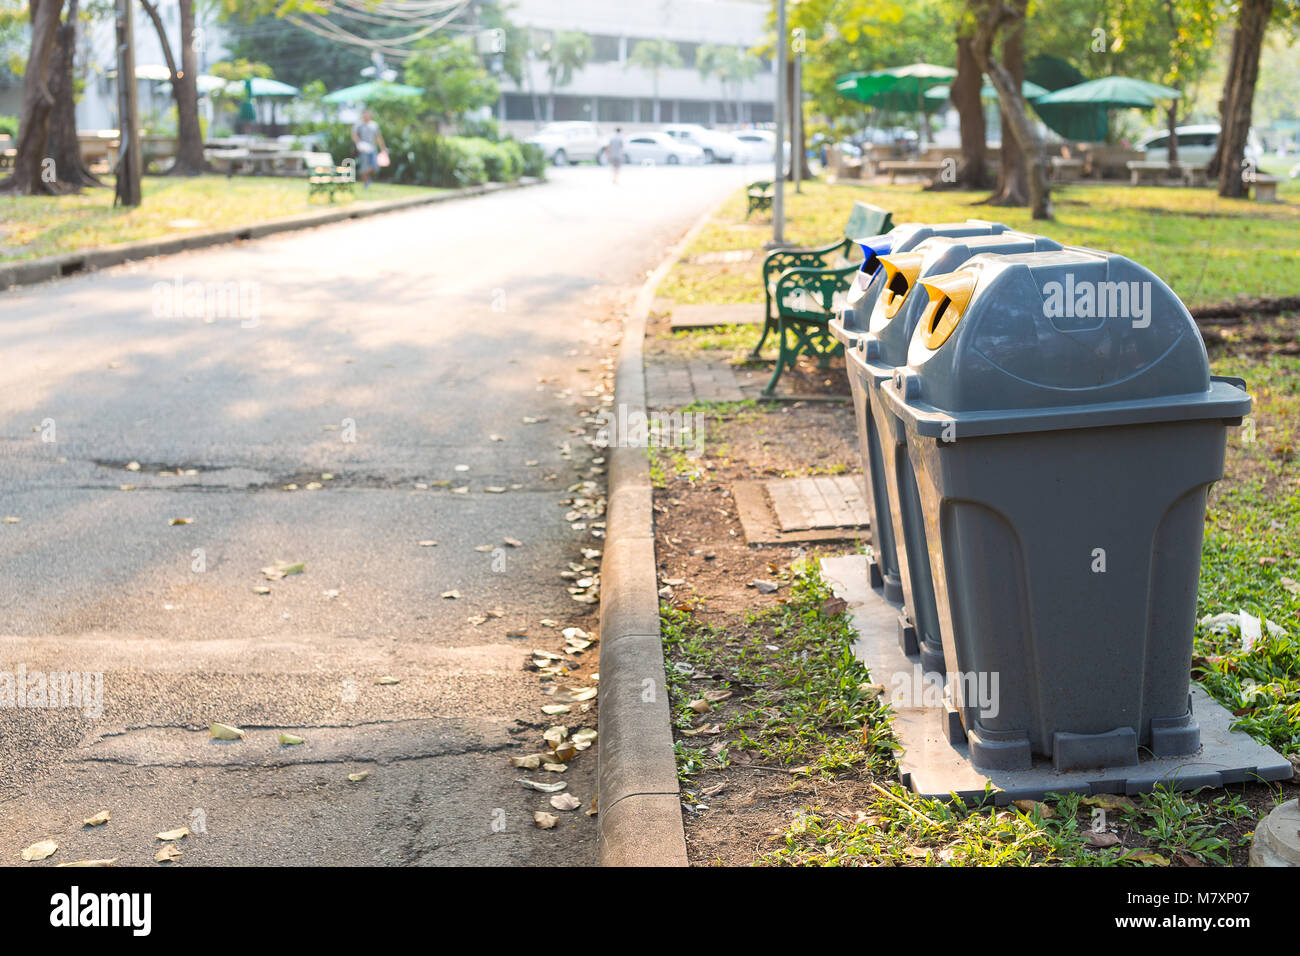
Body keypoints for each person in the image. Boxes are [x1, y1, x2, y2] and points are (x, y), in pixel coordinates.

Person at [352, 109, 386, 189]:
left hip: (372, 148)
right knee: (364, 166)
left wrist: (383, 148)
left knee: (375, 166)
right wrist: (359, 144)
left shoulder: (374, 125)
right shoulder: (359, 125)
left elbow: (378, 137)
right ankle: (366, 184)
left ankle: (366, 176)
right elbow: (354, 135)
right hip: (363, 149)